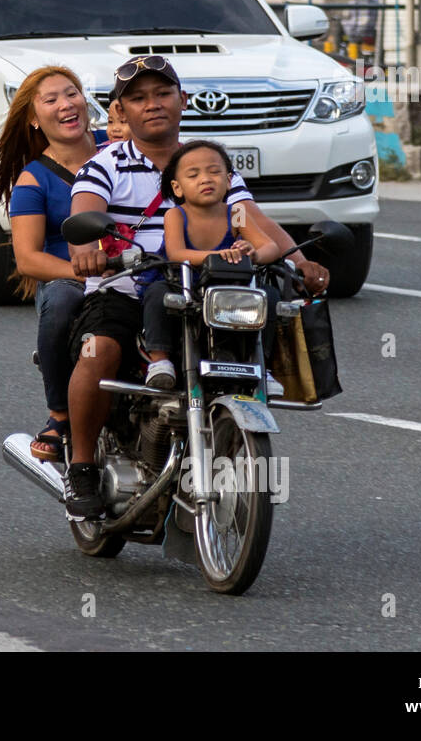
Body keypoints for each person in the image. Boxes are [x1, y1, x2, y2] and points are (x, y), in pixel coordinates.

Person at [63, 55, 331, 520]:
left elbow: (254, 222)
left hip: (210, 291)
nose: (153, 105)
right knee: (100, 349)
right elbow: (84, 211)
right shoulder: (104, 164)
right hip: (132, 284)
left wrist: (301, 261)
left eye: (163, 94)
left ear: (183, 101)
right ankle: (82, 466)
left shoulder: (211, 165)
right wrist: (87, 248)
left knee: (267, 315)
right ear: (122, 111)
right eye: (139, 98)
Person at [0, 66, 103, 463]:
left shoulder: (119, 150)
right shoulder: (33, 180)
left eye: (71, 94)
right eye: (51, 99)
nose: (66, 105)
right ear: (34, 120)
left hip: (131, 267)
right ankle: (59, 416)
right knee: (58, 304)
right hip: (67, 277)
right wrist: (84, 271)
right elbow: (27, 259)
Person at [142, 139, 280, 390]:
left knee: (268, 296)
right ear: (177, 187)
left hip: (227, 289)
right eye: (193, 175)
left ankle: (263, 365)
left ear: (228, 181)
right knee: (156, 295)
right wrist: (215, 255)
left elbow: (270, 246)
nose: (205, 179)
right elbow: (176, 252)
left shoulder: (236, 212)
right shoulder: (176, 214)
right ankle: (160, 361)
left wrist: (253, 253)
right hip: (182, 284)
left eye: (214, 172)